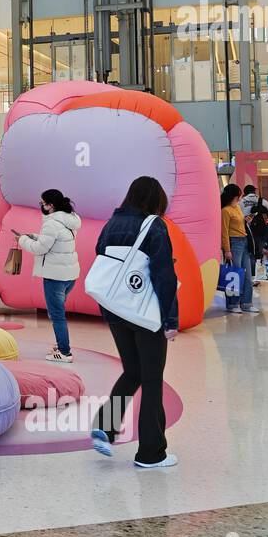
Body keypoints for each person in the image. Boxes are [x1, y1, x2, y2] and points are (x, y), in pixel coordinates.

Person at [89, 176, 179, 469]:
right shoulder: (154, 225)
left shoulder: (111, 224)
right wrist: (170, 319)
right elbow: (163, 275)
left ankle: (105, 426)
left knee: (133, 371)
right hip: (143, 312)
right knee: (151, 379)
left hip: (115, 308)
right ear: (156, 201)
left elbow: (102, 258)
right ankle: (151, 453)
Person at [15, 188, 81, 362]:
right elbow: (56, 241)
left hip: (55, 277)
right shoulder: (69, 220)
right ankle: (61, 345)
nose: (41, 206)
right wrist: (34, 236)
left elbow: (40, 249)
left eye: (42, 203)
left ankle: (64, 352)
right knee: (58, 312)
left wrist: (22, 240)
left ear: (50, 205)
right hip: (69, 275)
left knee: (57, 315)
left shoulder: (51, 223)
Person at [221, 184, 257, 314]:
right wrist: (227, 249)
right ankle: (233, 303)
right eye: (239, 195)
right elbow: (224, 231)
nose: (240, 197)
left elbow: (239, 224)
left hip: (244, 241)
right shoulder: (225, 211)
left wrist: (246, 220)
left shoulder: (237, 207)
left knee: (247, 276)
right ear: (234, 196)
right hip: (234, 243)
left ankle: (247, 303)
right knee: (234, 275)